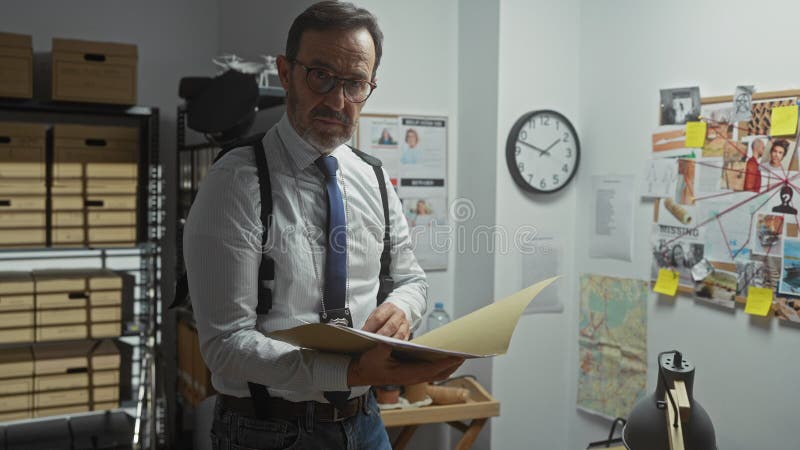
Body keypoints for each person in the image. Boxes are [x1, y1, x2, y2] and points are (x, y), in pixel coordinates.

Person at [183, 3, 463, 449]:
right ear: (285, 72)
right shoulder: (236, 183)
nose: (337, 101)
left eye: (355, 84)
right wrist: (348, 372)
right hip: (268, 430)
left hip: (365, 420)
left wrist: (401, 311)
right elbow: (225, 344)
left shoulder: (373, 178)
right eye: (321, 76)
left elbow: (412, 279)